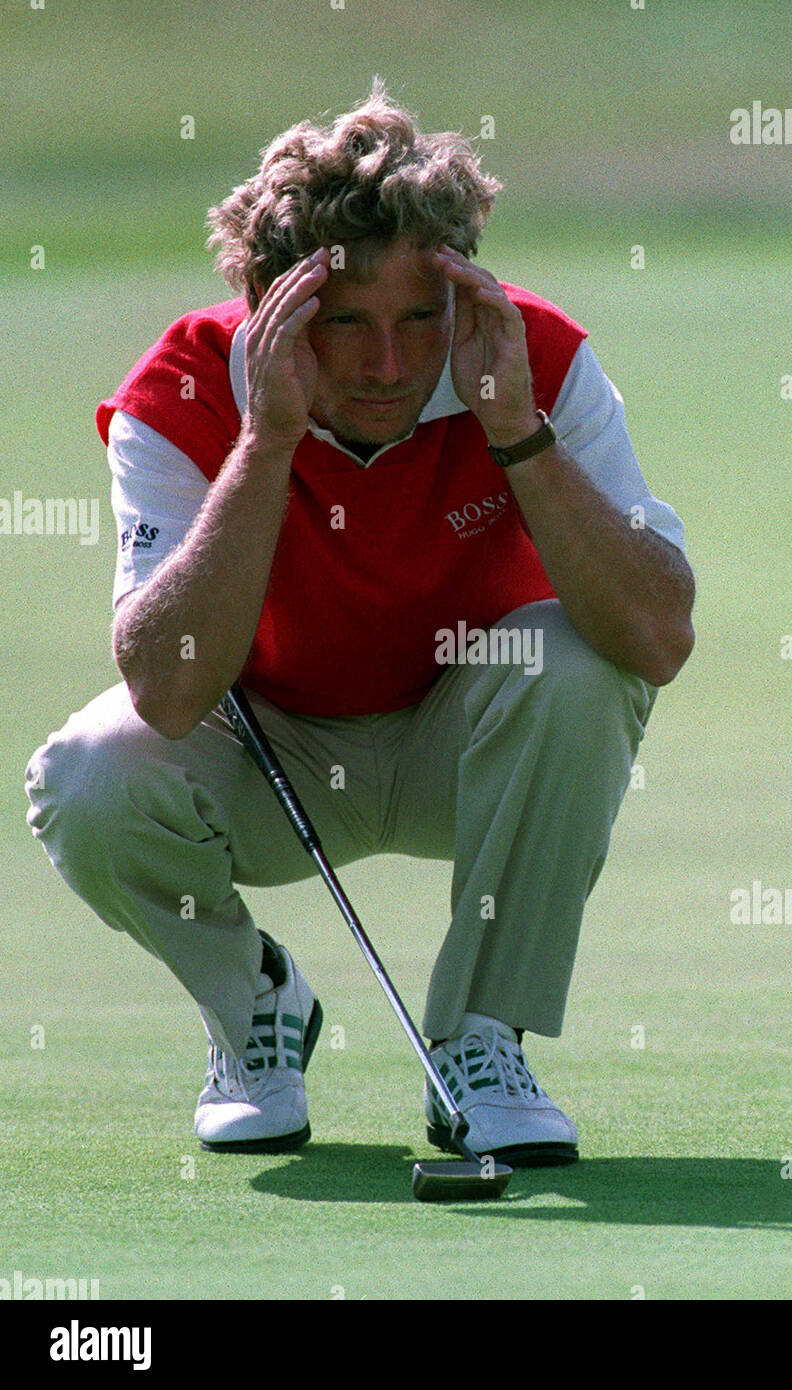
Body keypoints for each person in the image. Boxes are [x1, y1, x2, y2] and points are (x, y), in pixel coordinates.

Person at [25, 81, 694, 1166]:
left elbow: (657, 635)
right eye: (347, 325)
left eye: (419, 318)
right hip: (267, 756)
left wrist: (515, 430)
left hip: (464, 744)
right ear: (271, 306)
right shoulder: (182, 394)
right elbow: (168, 690)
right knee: (88, 778)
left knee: (582, 665)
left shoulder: (534, 359)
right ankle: (256, 1012)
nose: (389, 365)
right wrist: (268, 440)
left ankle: (482, 1038)